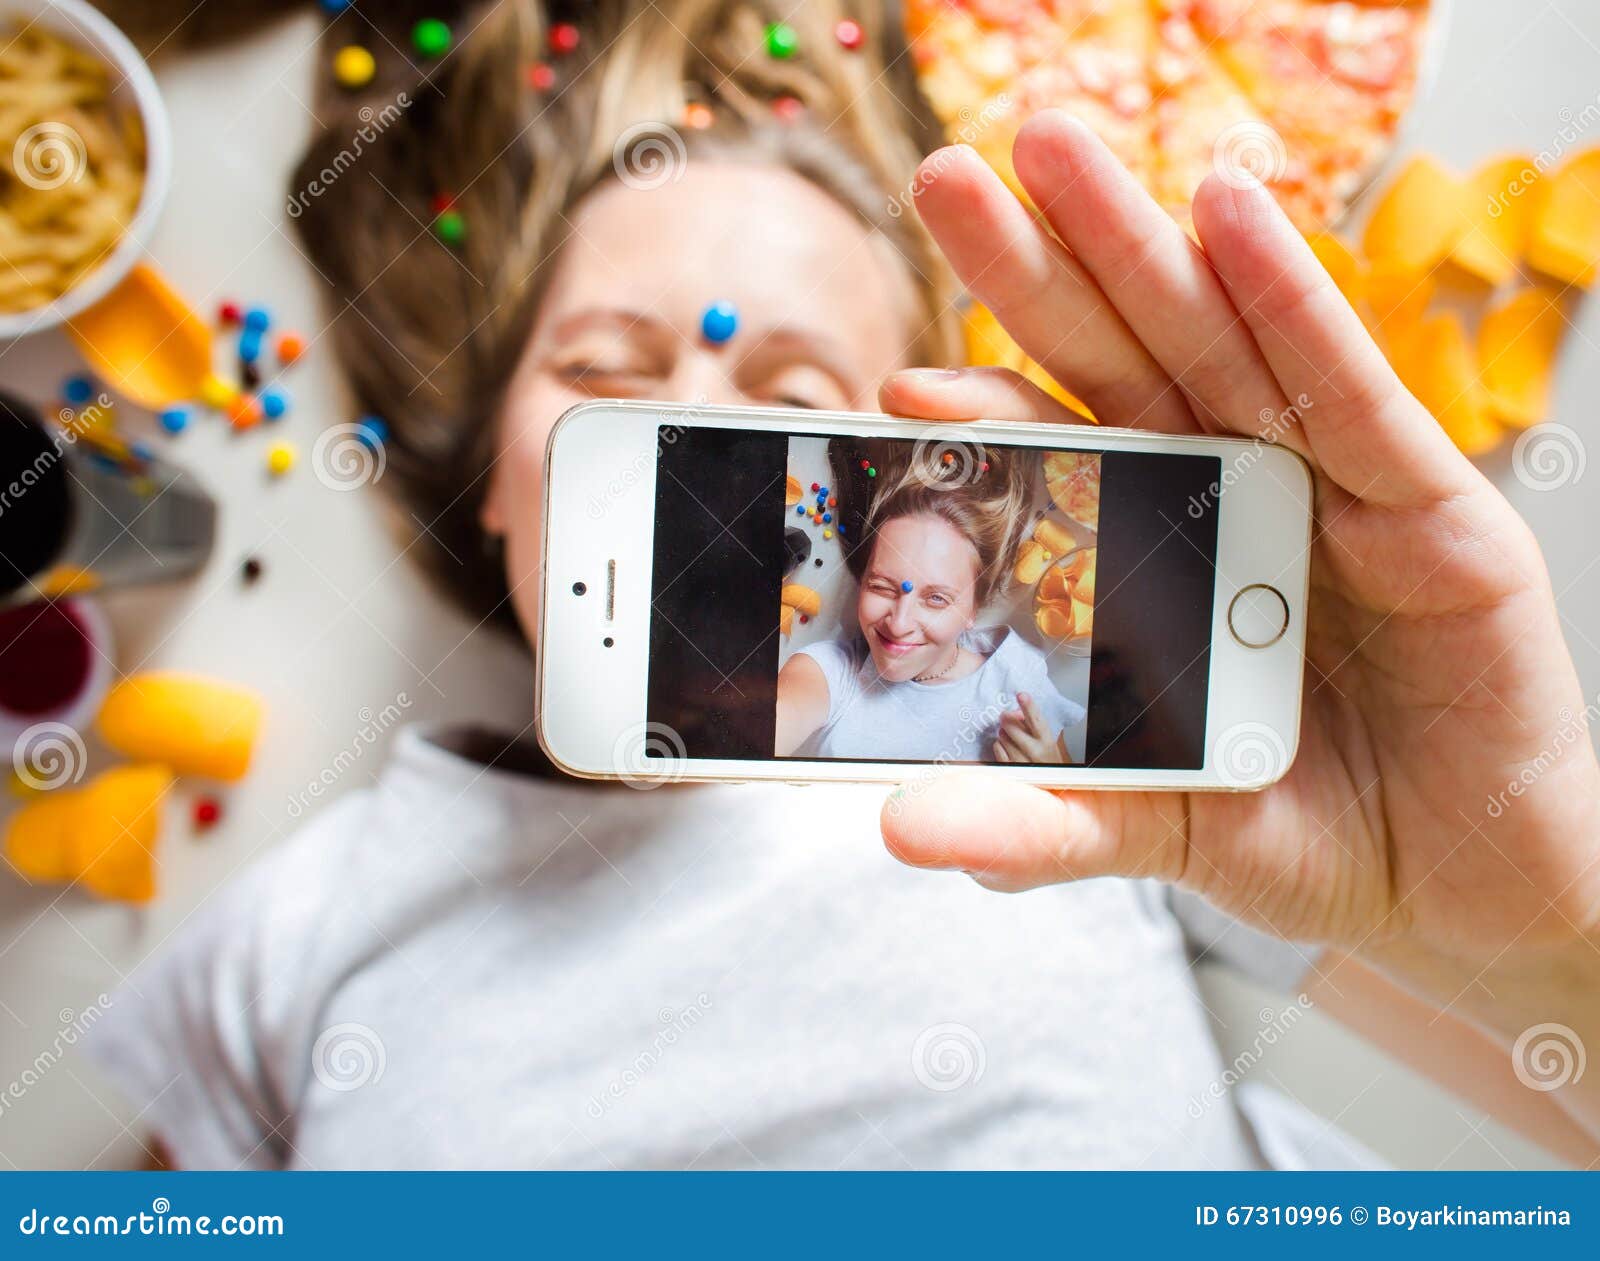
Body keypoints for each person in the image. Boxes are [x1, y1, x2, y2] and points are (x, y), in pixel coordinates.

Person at [82, 0, 1600, 1169]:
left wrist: (1544, 934)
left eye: (789, 388)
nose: (696, 431)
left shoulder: (1136, 810)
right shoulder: (295, 934)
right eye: (609, 373)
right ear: (495, 484)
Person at [775, 456, 1086, 762]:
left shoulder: (1019, 680)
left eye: (936, 598)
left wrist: (1053, 773)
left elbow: (1070, 803)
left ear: (972, 610)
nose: (898, 624)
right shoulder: (825, 674)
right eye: (882, 586)